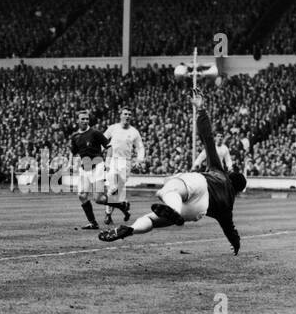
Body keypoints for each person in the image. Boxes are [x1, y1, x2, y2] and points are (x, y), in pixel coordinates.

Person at [99, 92, 245, 254]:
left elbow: (207, 139)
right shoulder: (228, 206)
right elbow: (229, 228)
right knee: (154, 221)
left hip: (200, 183)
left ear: (230, 176)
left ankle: (167, 212)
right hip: (198, 210)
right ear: (237, 191)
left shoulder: (219, 172)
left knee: (171, 189)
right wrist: (236, 243)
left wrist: (201, 109)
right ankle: (130, 229)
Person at [100, 106, 144, 226]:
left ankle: (114, 210)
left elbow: (140, 147)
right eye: (125, 114)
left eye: (129, 114)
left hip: (126, 162)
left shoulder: (134, 132)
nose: (127, 116)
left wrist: (139, 160)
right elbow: (102, 140)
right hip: (113, 160)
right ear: (120, 115)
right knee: (112, 188)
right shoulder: (113, 128)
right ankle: (111, 212)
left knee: (117, 190)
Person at [69, 108, 110, 230]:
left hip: (97, 165)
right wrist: (70, 163)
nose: (85, 121)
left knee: (98, 198)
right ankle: (93, 223)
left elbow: (108, 146)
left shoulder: (95, 133)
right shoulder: (75, 136)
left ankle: (119, 203)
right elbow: (74, 151)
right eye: (83, 119)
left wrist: (107, 162)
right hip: (84, 167)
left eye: (87, 119)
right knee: (82, 195)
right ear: (77, 120)